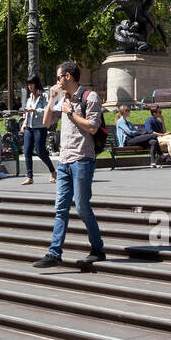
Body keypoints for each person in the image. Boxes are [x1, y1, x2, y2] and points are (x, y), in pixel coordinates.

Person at [33, 62, 107, 269]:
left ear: (67, 76)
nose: (57, 82)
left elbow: (92, 127)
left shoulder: (89, 97)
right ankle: (54, 253)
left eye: (58, 78)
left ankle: (98, 248)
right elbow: (47, 122)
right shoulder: (62, 98)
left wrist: (70, 112)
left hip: (83, 159)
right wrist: (51, 100)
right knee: (60, 208)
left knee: (83, 208)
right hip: (64, 161)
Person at [19, 75, 56, 186]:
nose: (30, 86)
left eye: (32, 84)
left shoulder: (44, 95)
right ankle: (29, 177)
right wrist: (24, 123)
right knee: (27, 152)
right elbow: (27, 112)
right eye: (28, 84)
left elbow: (47, 110)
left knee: (40, 152)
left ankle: (53, 171)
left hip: (40, 127)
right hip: (29, 128)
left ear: (36, 83)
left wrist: (35, 110)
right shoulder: (30, 97)